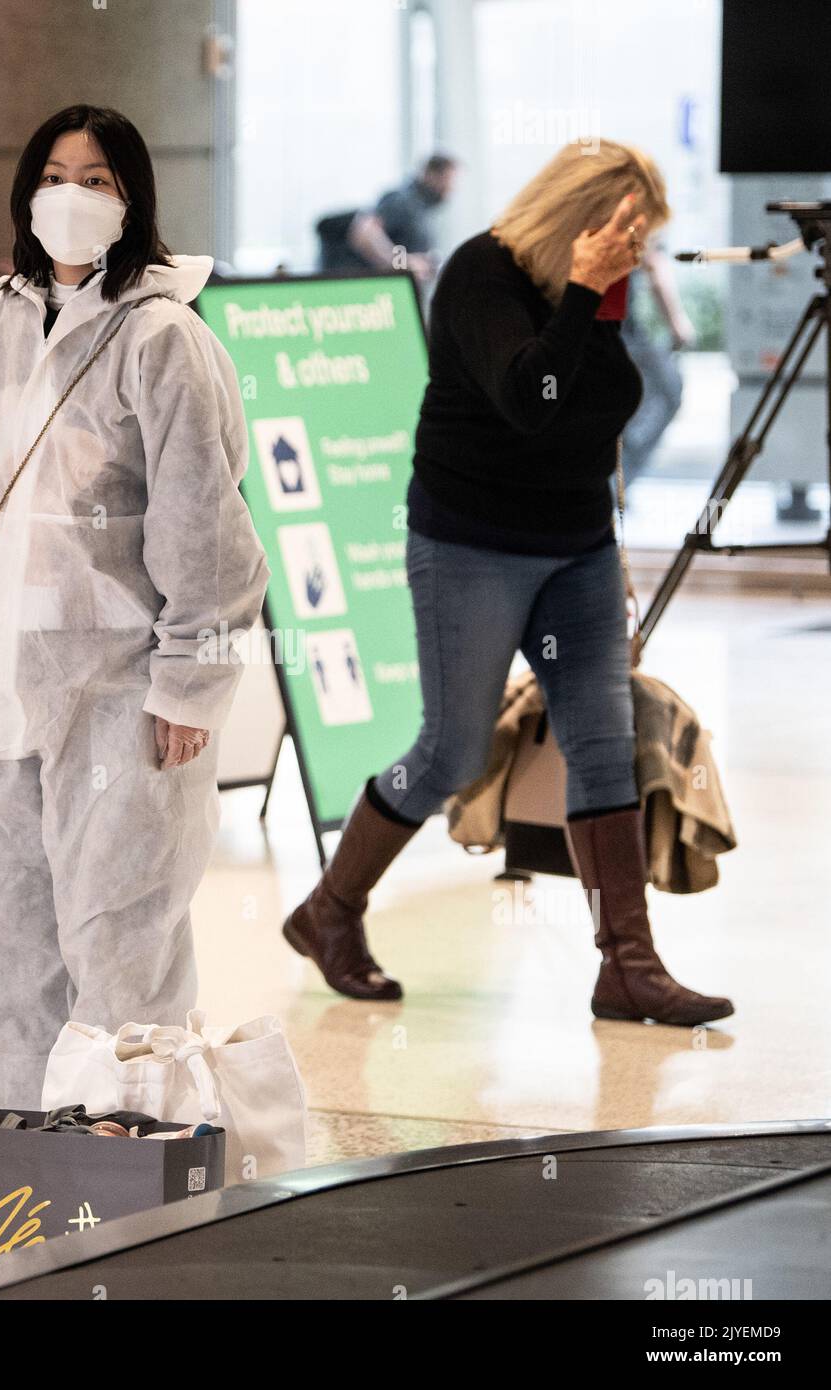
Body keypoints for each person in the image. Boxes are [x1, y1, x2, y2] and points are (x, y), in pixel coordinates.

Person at [283, 141, 733, 1028]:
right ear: (580, 215)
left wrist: (611, 550)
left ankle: (627, 968)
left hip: (577, 551)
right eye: (625, 230)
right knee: (451, 752)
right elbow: (533, 395)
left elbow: (592, 424)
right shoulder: (480, 273)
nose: (635, 250)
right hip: (471, 547)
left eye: (642, 236)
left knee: (603, 743)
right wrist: (579, 296)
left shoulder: (604, 290)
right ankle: (327, 911)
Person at [0, 104, 270, 1111]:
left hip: (122, 677)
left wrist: (190, 683)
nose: (70, 197)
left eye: (97, 180)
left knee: (118, 924)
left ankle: (130, 1138)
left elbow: (205, 532)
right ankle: (11, 1144)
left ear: (133, 199)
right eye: (53, 174)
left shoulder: (163, 337)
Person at [619, 241, 696, 483]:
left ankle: (617, 475)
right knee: (669, 389)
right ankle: (620, 474)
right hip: (619, 335)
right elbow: (655, 267)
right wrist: (677, 325)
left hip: (608, 333)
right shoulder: (632, 213)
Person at [348, 153, 457, 289]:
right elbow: (364, 232)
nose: (451, 188)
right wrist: (401, 261)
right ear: (430, 175)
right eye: (448, 180)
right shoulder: (402, 201)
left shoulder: (423, 209)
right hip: (387, 292)